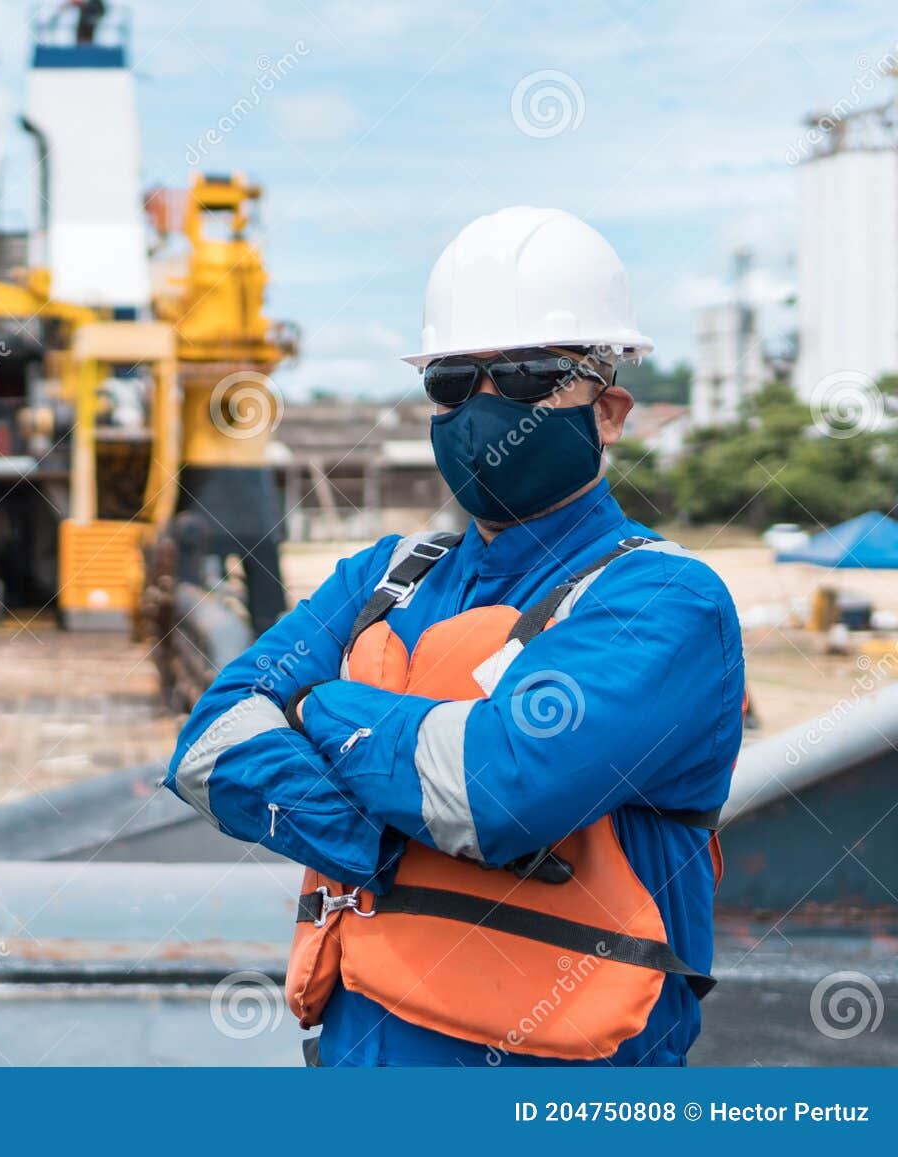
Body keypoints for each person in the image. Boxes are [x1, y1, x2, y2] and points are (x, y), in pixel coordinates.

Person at [165, 206, 744, 1067]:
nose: (482, 407)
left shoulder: (663, 601)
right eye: (450, 382)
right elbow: (210, 744)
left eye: (522, 377)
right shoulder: (387, 575)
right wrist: (382, 838)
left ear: (610, 410)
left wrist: (316, 705)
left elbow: (493, 792)